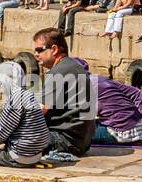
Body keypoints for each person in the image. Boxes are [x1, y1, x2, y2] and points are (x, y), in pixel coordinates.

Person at [0, 61, 51, 167]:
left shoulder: (14, 100)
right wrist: (2, 144)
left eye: (0, 84)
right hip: (36, 153)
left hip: (22, 156)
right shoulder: (28, 94)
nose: (0, 88)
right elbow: (17, 128)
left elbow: (2, 131)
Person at [32, 28, 96, 156]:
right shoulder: (74, 67)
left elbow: (37, 112)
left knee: (8, 141)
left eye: (39, 50)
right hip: (81, 142)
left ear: (54, 49)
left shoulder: (58, 73)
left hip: (64, 142)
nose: (35, 54)